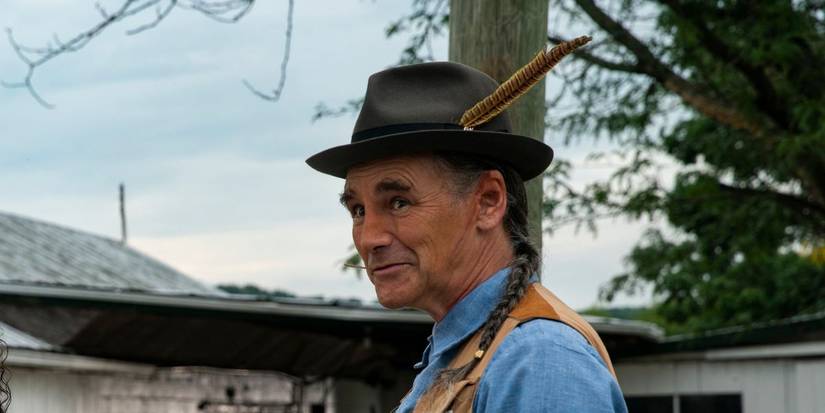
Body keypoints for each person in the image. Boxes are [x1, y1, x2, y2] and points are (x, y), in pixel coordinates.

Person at [307, 41, 627, 412]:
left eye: (399, 202)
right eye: (358, 210)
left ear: (488, 201)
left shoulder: (539, 361)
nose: (369, 238)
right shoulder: (475, 354)